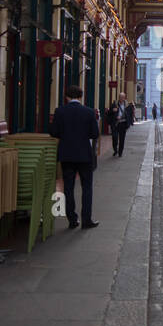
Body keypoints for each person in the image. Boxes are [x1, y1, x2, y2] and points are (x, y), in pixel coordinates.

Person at [49, 84, 100, 230]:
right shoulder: (89, 112)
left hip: (67, 155)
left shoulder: (60, 111)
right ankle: (86, 220)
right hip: (84, 155)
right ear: (80, 96)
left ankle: (72, 219)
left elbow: (54, 132)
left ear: (66, 97)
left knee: (68, 188)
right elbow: (95, 134)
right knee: (87, 188)